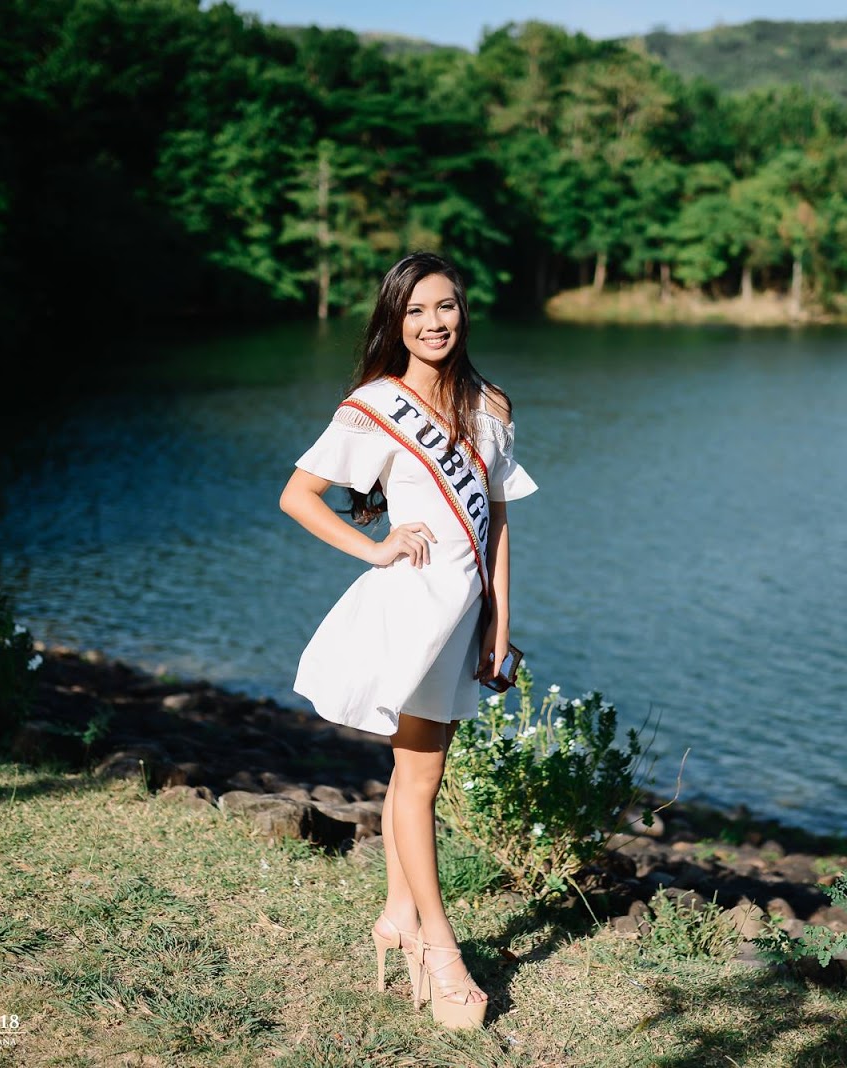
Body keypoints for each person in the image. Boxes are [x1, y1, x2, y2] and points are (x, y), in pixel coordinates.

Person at [278, 251, 537, 1030]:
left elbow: (497, 525)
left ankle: (397, 914)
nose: (434, 323)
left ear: (464, 311)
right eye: (418, 310)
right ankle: (440, 949)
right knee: (421, 781)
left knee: (416, 774)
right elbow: (299, 496)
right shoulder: (375, 406)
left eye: (447, 306)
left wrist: (501, 623)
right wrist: (377, 547)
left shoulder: (490, 404)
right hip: (411, 616)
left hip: (464, 621)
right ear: (396, 319)